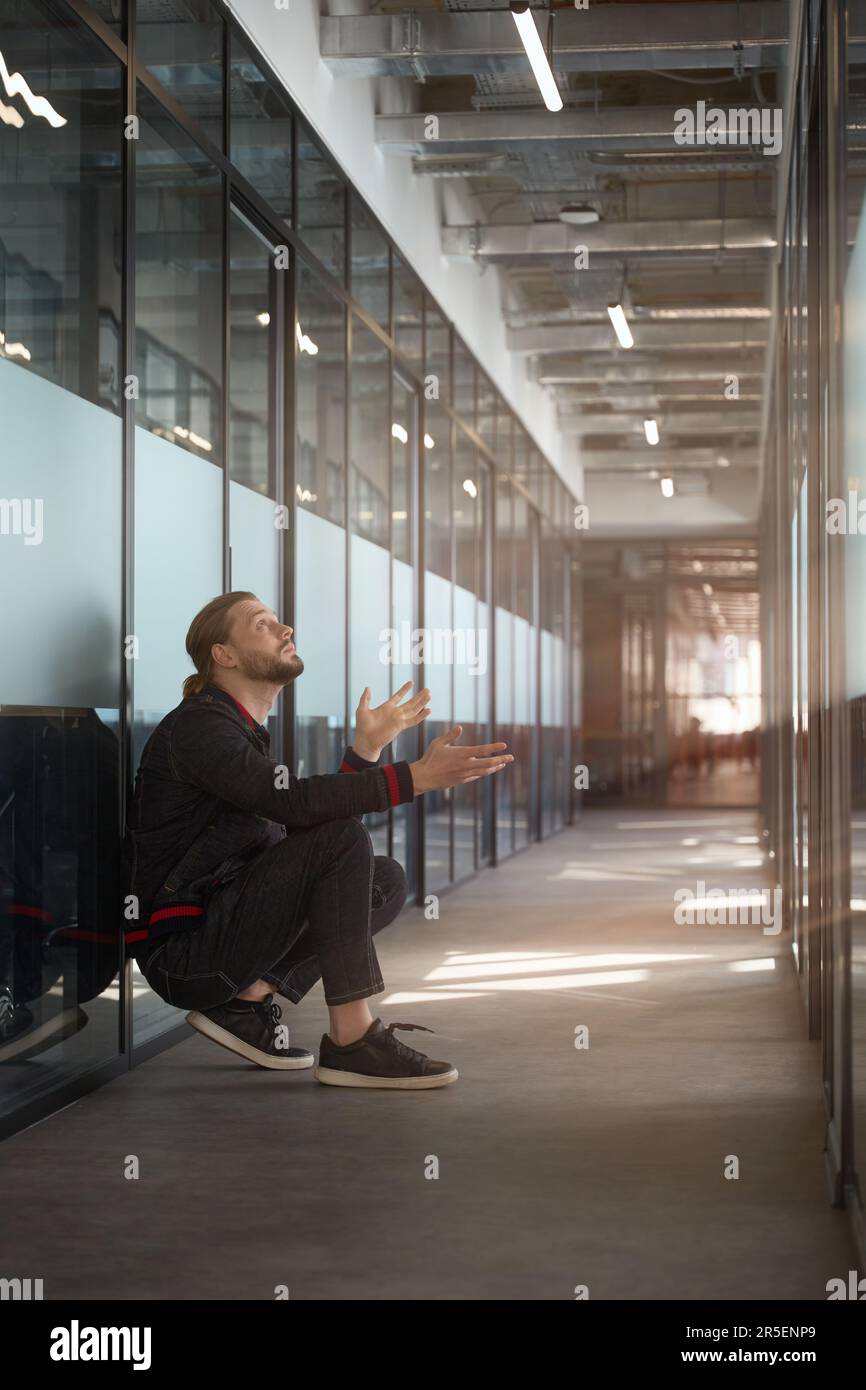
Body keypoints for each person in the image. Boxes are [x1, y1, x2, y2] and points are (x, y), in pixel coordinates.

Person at [125, 591, 512, 1091]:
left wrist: (367, 748)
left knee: (383, 880)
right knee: (344, 841)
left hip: (218, 936)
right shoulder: (200, 725)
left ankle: (243, 1004)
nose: (285, 629)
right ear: (224, 655)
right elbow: (297, 810)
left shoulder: (241, 733)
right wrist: (413, 777)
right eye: (263, 624)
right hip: (183, 955)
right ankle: (353, 1040)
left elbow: (298, 831)